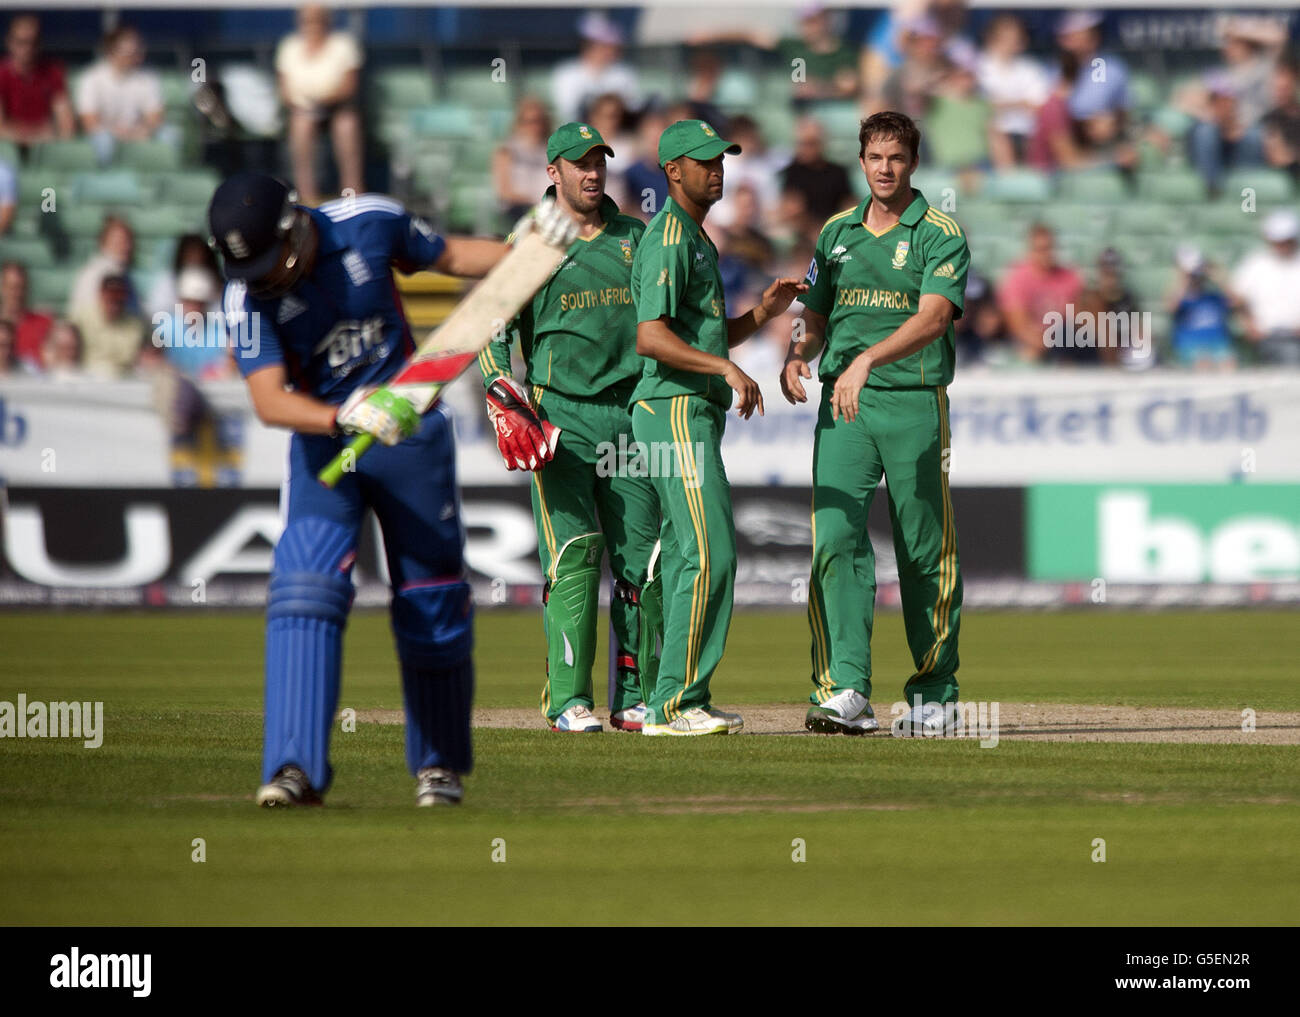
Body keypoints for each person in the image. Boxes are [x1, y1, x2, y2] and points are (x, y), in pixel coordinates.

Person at [207, 171, 571, 807]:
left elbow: (453, 256)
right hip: (329, 444)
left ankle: (438, 766)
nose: (266, 279)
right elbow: (269, 401)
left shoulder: (366, 223)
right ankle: (294, 768)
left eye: (271, 262)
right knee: (305, 587)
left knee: (432, 595)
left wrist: (536, 251)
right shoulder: (248, 298)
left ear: (293, 225)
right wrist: (340, 416)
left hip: (412, 431)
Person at [781, 110, 968, 739]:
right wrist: (797, 353)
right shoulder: (836, 233)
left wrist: (865, 358)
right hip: (845, 404)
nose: (885, 169)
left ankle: (935, 693)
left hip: (914, 400)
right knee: (835, 539)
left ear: (912, 163)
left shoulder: (940, 232)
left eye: (896, 158)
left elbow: (934, 318)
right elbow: (813, 309)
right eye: (874, 158)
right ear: (861, 162)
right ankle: (846, 689)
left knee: (923, 549)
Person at [478, 122, 661, 733]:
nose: (592, 173)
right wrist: (504, 389)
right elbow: (490, 323)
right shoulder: (532, 237)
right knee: (576, 554)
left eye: (598, 162)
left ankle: (635, 696)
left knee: (642, 562)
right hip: (561, 416)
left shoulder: (639, 235)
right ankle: (567, 700)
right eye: (578, 164)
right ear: (551, 172)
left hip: (632, 416)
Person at [630, 119, 806, 736]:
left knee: (686, 558)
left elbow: (702, 335)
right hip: (672, 406)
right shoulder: (670, 237)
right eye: (703, 161)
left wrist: (762, 312)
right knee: (712, 554)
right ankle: (676, 703)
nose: (717, 169)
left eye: (722, 159)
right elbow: (649, 337)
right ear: (672, 171)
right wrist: (726, 369)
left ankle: (667, 703)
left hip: (689, 408)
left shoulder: (699, 239)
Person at [275, 3, 364, 205]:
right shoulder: (289, 46)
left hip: (338, 108)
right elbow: (284, 91)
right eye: (308, 19)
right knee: (301, 125)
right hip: (302, 111)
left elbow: (349, 86)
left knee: (347, 125)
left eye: (317, 18)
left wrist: (322, 99)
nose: (312, 24)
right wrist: (306, 104)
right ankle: (307, 196)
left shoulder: (343, 44)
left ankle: (352, 194)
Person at [74, 25, 167, 165]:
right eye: (131, 51)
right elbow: (89, 121)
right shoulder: (91, 78)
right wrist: (116, 132)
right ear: (112, 51)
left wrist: (139, 131)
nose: (137, 54)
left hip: (137, 133)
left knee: (169, 135)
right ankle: (105, 177)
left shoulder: (148, 77)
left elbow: (155, 117)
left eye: (137, 49)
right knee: (103, 140)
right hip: (105, 135)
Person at [997, 222, 1084, 363]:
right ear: (1031, 250)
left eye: (1049, 248)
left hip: (1061, 343)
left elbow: (1076, 319)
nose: (1046, 254)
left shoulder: (1069, 277)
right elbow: (1018, 325)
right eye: (1040, 249)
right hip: (1030, 344)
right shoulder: (1017, 278)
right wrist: (1045, 345)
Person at [977, 13, 1048, 168]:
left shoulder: (1032, 68)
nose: (1011, 42)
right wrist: (1020, 103)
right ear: (991, 38)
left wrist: (999, 104)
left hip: (1028, 134)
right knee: (995, 134)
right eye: (1004, 37)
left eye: (1015, 37)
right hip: (986, 138)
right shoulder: (975, 67)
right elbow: (977, 106)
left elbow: (1040, 106)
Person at [1230, 209, 1300, 365]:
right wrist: (1249, 325)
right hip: (1264, 339)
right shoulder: (1255, 263)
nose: (1282, 246)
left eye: (1286, 241)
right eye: (1278, 241)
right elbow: (1237, 298)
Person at [551, 12, 641, 123]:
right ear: (591, 46)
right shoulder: (566, 73)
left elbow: (633, 107)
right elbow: (567, 111)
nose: (613, 51)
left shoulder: (624, 74)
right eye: (606, 45)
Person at [0, 14, 74, 143]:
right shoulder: (2, 75)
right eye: (21, 42)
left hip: (46, 148)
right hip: (8, 151)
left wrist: (55, 134)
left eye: (33, 42)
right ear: (9, 42)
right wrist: (31, 135)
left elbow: (66, 123)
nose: (28, 48)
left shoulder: (53, 72)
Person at [1169, 245, 1235, 370]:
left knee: (1228, 362)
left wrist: (1218, 278)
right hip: (1191, 346)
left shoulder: (1214, 297)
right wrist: (1184, 278)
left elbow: (1236, 303)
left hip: (1218, 345)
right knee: (1203, 362)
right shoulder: (1182, 298)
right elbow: (1171, 307)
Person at [70, 274, 147, 379]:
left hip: (124, 380)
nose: (115, 301)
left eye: (120, 296)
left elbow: (142, 358)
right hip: (85, 377)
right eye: (110, 295)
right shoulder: (81, 318)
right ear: (100, 294)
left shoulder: (135, 325)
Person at [492, 97, 553, 223]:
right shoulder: (506, 151)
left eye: (539, 121)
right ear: (519, 123)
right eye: (529, 121)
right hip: (518, 210)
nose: (534, 126)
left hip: (548, 208)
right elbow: (504, 192)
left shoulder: (552, 150)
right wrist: (535, 200)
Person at [69, 216, 137, 318]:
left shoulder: (124, 274)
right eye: (120, 242)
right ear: (104, 243)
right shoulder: (93, 274)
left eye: (128, 241)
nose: (126, 247)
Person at [1, 260, 52, 369]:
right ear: (2, 288)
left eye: (21, 287)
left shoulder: (43, 324)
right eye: (12, 287)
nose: (16, 294)